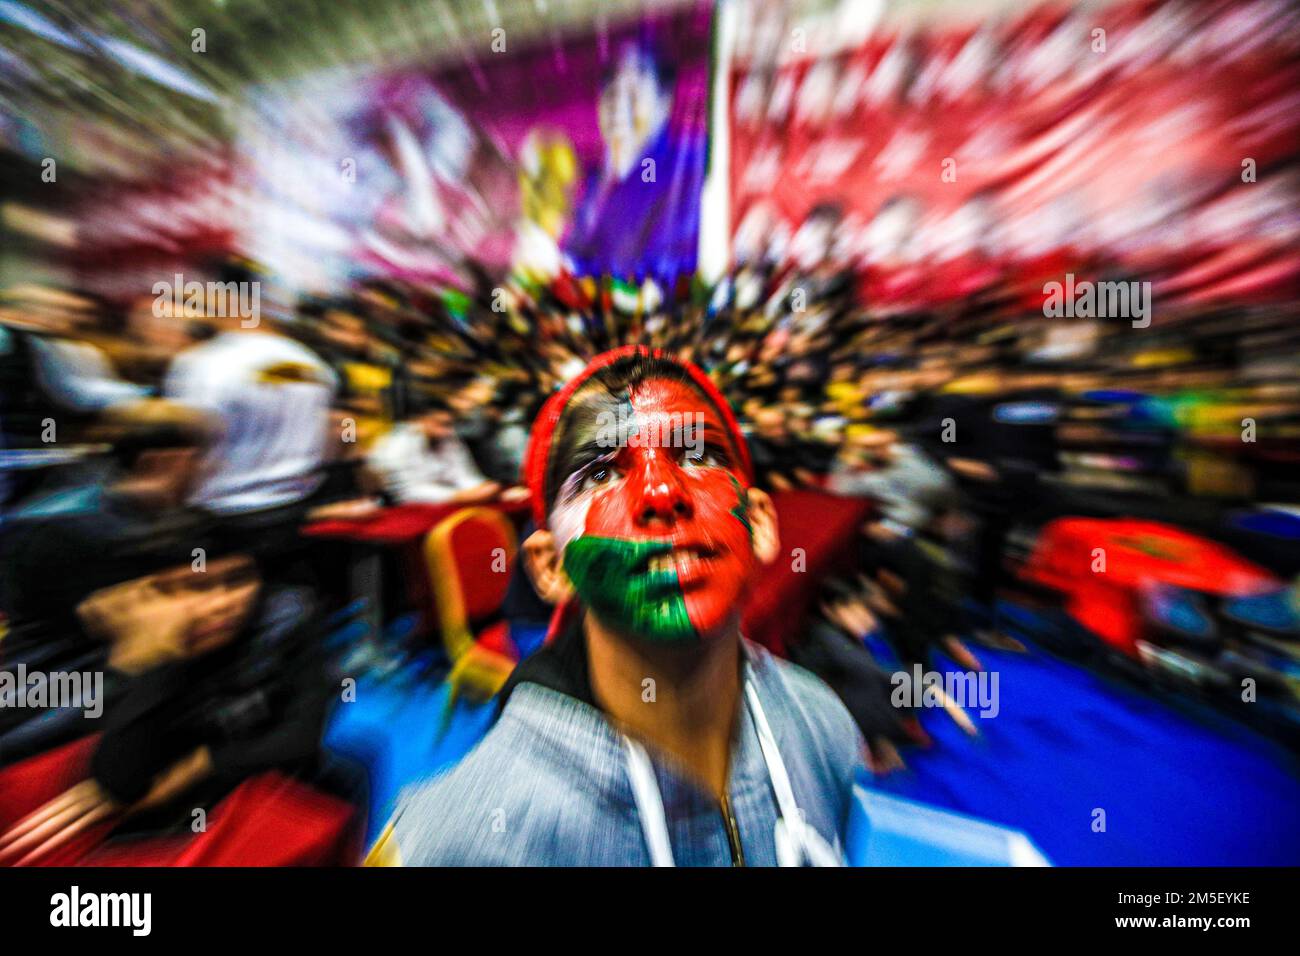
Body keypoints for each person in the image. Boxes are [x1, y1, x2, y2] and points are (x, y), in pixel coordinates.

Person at [379, 346, 863, 866]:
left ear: (762, 523)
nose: (660, 490)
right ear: (550, 567)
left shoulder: (824, 727)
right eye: (600, 473)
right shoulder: (461, 843)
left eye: (697, 454)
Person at [367, 399, 520, 505]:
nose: (447, 431)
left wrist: (488, 490)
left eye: (449, 424)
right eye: (440, 424)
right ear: (419, 421)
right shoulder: (397, 445)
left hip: (444, 499)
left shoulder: (448, 437)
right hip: (401, 507)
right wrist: (457, 496)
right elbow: (409, 492)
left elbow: (463, 475)